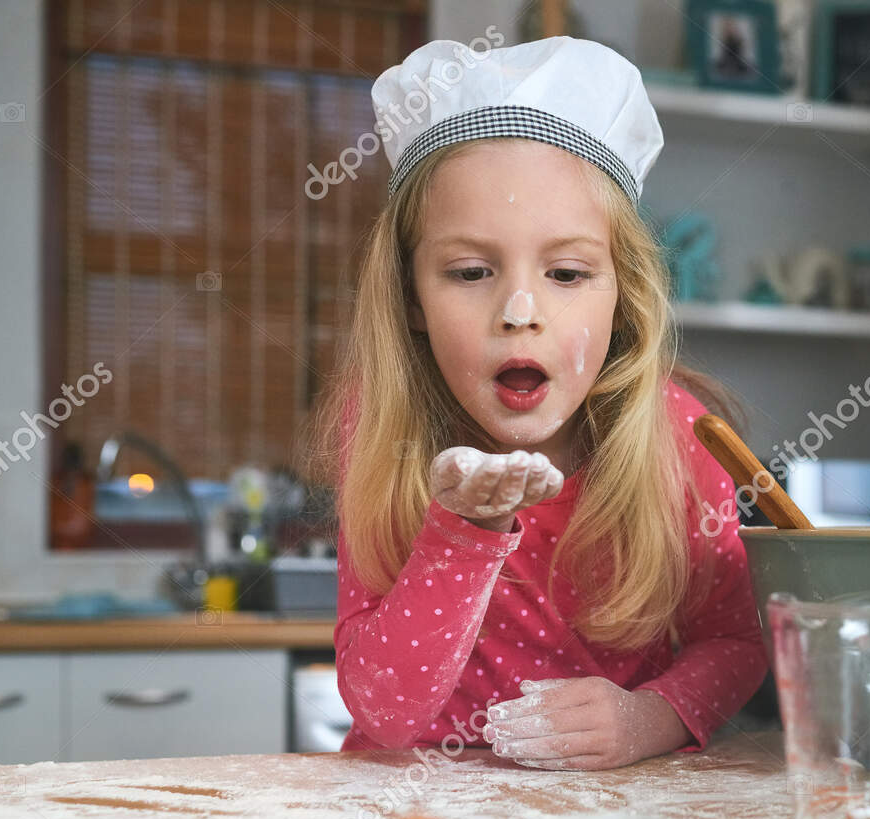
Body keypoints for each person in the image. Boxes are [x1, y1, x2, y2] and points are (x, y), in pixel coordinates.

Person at [317, 36, 768, 770]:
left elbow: (735, 641)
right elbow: (386, 712)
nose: (519, 311)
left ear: (623, 295)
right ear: (411, 299)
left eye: (565, 272)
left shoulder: (676, 434)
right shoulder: (380, 428)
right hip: (409, 814)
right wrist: (464, 530)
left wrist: (645, 719)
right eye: (470, 272)